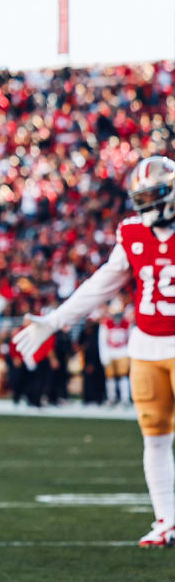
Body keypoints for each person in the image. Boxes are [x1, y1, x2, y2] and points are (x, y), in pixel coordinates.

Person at [15, 156, 175, 548]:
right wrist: (55, 320)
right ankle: (167, 520)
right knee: (154, 437)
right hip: (145, 346)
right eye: (141, 198)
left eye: (153, 196)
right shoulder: (133, 233)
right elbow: (100, 284)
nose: (146, 206)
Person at [101, 310, 132, 405]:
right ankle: (111, 398)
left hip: (123, 352)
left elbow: (130, 339)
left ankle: (125, 398)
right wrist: (104, 355)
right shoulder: (106, 324)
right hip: (110, 352)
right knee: (110, 377)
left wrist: (129, 353)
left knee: (124, 376)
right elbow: (102, 341)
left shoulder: (127, 324)